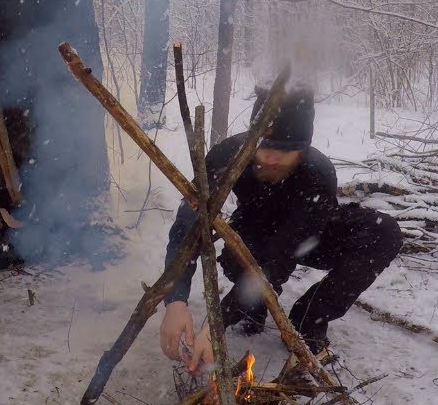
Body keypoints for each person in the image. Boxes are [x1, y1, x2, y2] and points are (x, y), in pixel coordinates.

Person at [158, 84, 403, 375]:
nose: (272, 158)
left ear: (303, 149)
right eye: (265, 146)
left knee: (384, 232)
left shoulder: (318, 175)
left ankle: (309, 318)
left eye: (286, 151)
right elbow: (188, 226)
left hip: (309, 232)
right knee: (242, 259)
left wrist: (215, 324)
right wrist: (175, 300)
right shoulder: (227, 157)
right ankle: (252, 307)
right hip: (253, 229)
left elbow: (281, 258)